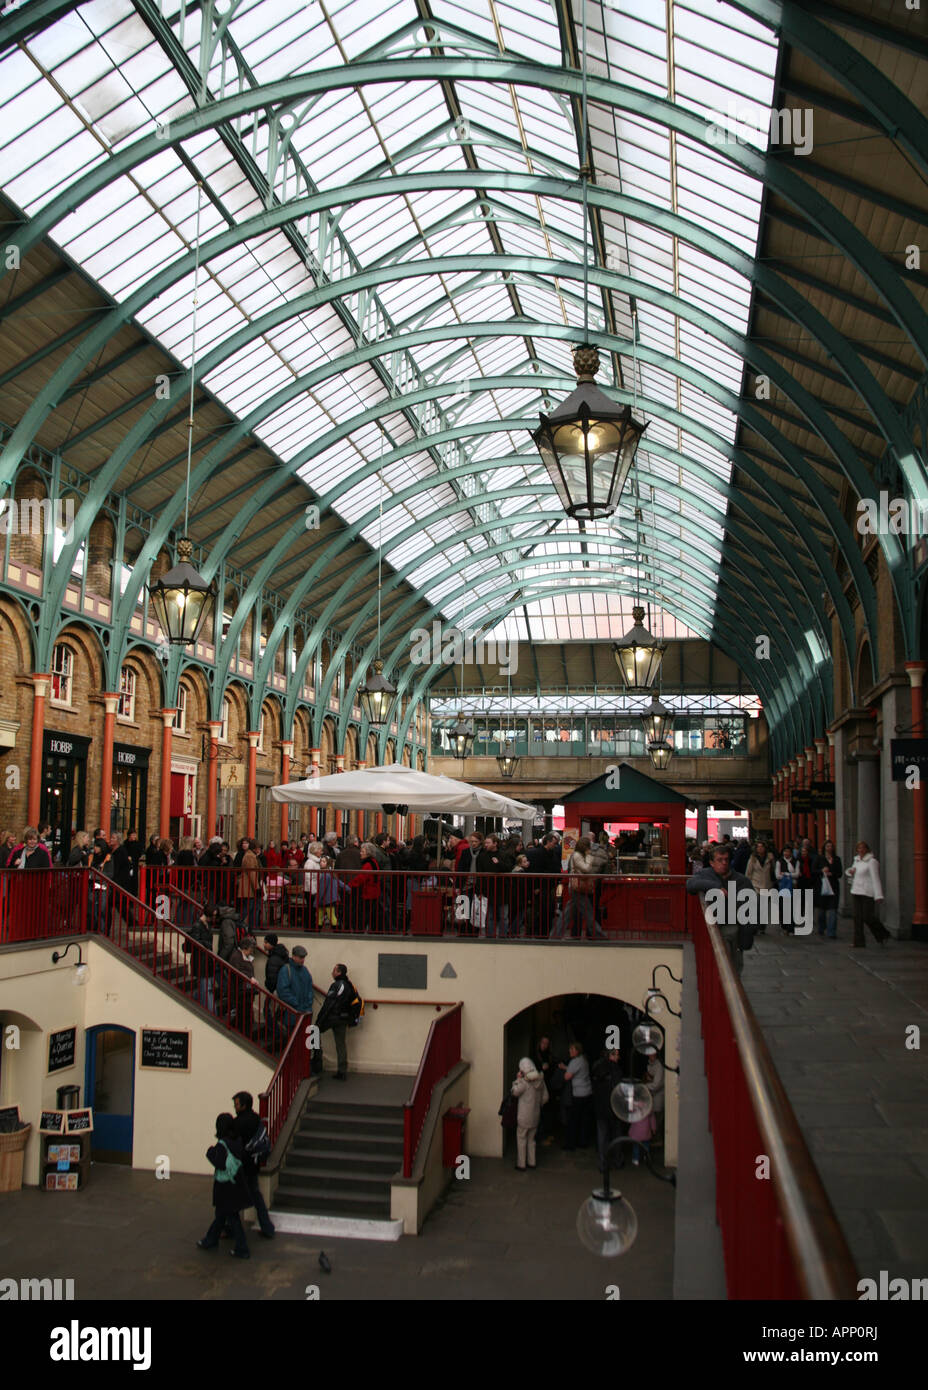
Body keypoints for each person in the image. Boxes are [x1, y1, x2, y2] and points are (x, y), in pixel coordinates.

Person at [686, 844, 756, 971]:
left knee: (733, 964)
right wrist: (715, 886)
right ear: (712, 863)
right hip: (716, 924)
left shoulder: (742, 881)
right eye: (720, 860)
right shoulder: (706, 875)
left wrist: (747, 938)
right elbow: (691, 884)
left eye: (726, 860)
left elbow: (751, 911)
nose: (724, 863)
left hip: (734, 926)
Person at [197, 1113, 251, 1258]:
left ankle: (242, 1248)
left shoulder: (223, 1144)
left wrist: (210, 1152)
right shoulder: (238, 1141)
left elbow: (219, 1163)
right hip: (235, 1184)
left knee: (231, 1217)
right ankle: (211, 1239)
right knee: (222, 1215)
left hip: (224, 1187)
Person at [231, 1090, 275, 1240]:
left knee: (232, 1198)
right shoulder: (256, 1118)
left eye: (236, 1104)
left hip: (242, 1165)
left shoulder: (237, 1123)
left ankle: (229, 1228)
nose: (235, 1107)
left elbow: (234, 1144)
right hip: (254, 1163)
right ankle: (267, 1227)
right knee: (256, 1196)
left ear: (243, 1106)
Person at [316, 962, 359, 1080]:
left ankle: (317, 1060)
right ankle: (342, 1070)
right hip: (344, 1019)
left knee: (314, 1032)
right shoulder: (349, 985)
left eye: (334, 970)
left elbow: (329, 1004)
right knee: (341, 1044)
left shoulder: (337, 985)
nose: (332, 972)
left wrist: (319, 1020)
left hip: (333, 1018)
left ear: (339, 972)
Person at [557, 837, 604, 940]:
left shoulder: (577, 855)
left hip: (576, 887)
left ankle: (555, 934)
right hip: (577, 887)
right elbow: (586, 869)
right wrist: (589, 857)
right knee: (588, 912)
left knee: (568, 913)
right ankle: (598, 934)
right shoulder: (578, 856)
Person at [847, 841, 888, 948]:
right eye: (859, 848)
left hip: (867, 892)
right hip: (856, 890)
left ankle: (882, 934)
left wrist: (878, 894)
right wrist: (850, 872)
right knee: (857, 917)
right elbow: (851, 871)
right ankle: (858, 941)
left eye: (863, 848)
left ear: (867, 849)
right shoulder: (856, 860)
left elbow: (876, 878)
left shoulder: (872, 862)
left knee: (867, 916)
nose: (861, 850)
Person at [592, 1046, 624, 1169]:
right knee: (616, 1134)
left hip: (600, 1107)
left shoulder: (596, 1067)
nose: (618, 1057)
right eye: (616, 1055)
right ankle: (617, 1160)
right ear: (611, 1056)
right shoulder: (616, 1070)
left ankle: (603, 1162)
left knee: (602, 1135)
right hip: (613, 1108)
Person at [511, 1057, 545, 1171]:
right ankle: (532, 1162)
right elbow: (545, 1098)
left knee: (521, 1139)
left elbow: (514, 1092)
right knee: (531, 1140)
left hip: (524, 1116)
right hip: (535, 1115)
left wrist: (517, 1080)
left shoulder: (524, 1082)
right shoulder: (540, 1080)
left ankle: (521, 1164)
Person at [560, 1041, 593, 1150]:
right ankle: (583, 1142)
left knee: (573, 1120)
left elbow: (567, 1077)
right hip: (587, 1093)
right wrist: (567, 1067)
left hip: (578, 1094)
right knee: (584, 1119)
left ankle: (570, 1144)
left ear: (577, 1051)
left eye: (572, 1049)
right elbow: (577, 1071)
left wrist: (566, 1069)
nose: (570, 1051)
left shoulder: (575, 1062)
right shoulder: (584, 1060)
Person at [813, 839, 843, 939]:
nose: (829, 848)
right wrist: (822, 871)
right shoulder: (819, 858)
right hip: (822, 887)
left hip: (833, 887)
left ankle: (831, 932)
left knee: (833, 910)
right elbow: (813, 871)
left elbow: (840, 873)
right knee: (821, 911)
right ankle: (821, 928)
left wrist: (832, 873)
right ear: (824, 848)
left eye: (831, 846)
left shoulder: (837, 859)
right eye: (827, 846)